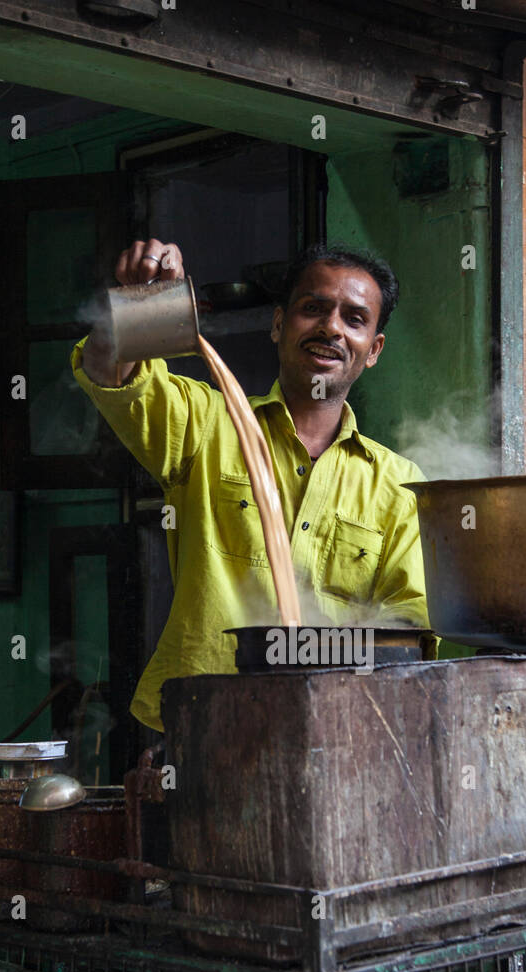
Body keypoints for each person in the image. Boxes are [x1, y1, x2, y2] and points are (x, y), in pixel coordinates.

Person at [72, 239, 432, 732]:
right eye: (314, 309)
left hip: (341, 730)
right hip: (201, 726)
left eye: (354, 319)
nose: (331, 327)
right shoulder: (205, 426)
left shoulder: (401, 485)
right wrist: (144, 302)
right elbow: (113, 378)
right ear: (279, 324)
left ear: (374, 350)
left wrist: (296, 659)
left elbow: (408, 633)